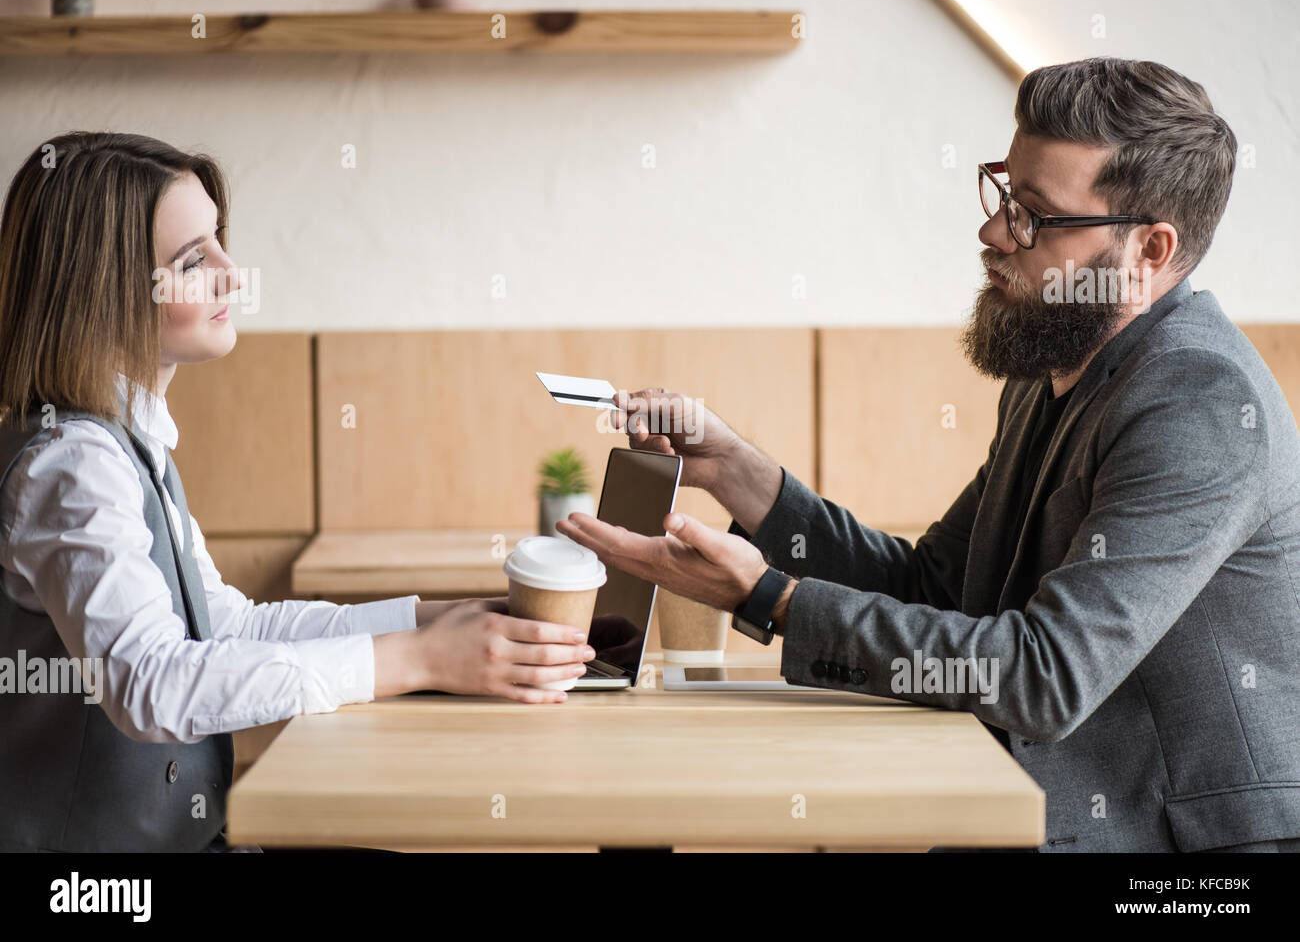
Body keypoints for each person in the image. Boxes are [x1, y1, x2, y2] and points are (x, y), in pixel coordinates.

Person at [558, 58, 1300, 853]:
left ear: (1150, 251)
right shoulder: (1055, 365)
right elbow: (936, 586)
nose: (992, 233)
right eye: (1002, 193)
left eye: (1033, 216)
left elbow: (1043, 676)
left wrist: (773, 598)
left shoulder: (1202, 401)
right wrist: (742, 475)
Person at [0, 132, 595, 852]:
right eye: (194, 260)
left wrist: (432, 622)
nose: (234, 274)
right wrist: (419, 661)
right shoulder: (71, 466)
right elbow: (149, 684)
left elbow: (227, 625)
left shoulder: (126, 446)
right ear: (104, 288)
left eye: (220, 243)